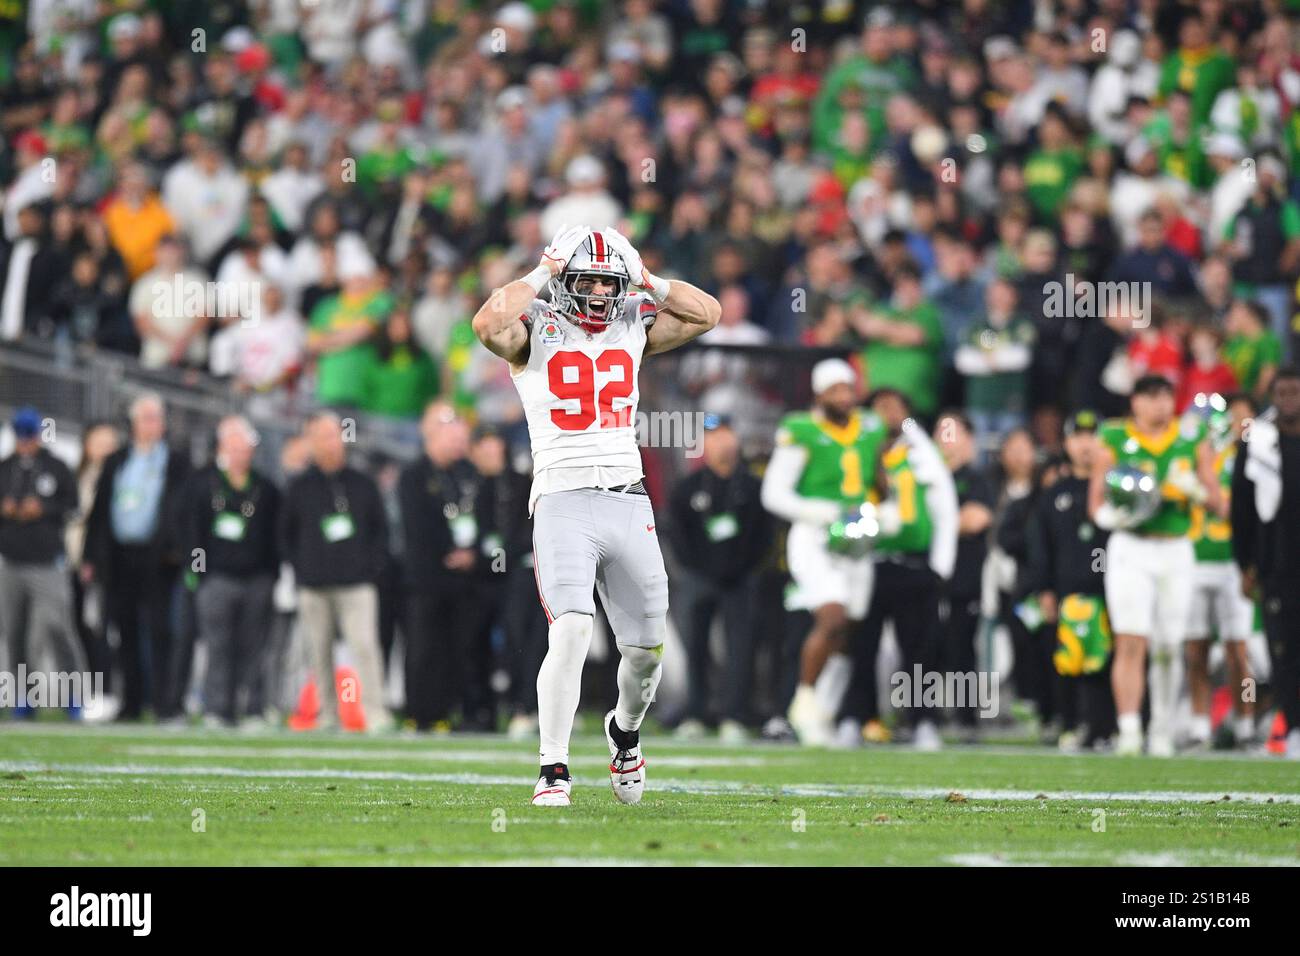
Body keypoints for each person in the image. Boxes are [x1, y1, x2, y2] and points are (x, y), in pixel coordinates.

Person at [471, 224, 719, 806]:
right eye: (590, 283)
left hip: (627, 500)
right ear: (564, 279)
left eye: (612, 285)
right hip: (562, 498)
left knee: (646, 650)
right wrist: (543, 272)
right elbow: (486, 323)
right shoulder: (536, 328)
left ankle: (624, 732)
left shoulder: (634, 320)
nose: (603, 297)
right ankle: (552, 769)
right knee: (573, 627)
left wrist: (647, 280)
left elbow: (707, 313)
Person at [1089, 374, 1220, 756]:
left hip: (1176, 547)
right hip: (1132, 546)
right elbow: (1096, 503)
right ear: (1135, 402)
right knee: (1131, 640)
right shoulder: (1114, 437)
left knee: (1168, 644)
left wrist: (1194, 489)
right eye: (1151, 397)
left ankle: (1161, 728)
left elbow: (1216, 499)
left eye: (1166, 396)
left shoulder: (1191, 436)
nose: (1160, 405)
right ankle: (1129, 730)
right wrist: (1116, 516)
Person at [760, 358, 889, 746]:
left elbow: (880, 480)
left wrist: (885, 510)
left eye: (848, 388)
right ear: (819, 394)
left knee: (850, 628)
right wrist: (824, 511)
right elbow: (773, 494)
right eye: (835, 389)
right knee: (831, 616)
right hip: (815, 536)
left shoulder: (869, 428)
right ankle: (804, 701)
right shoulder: (801, 430)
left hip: (857, 535)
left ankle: (824, 713)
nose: (843, 396)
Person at [837, 388, 958, 750]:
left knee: (919, 650)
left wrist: (941, 566)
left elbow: (944, 508)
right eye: (880, 407)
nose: (887, 414)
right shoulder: (858, 450)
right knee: (861, 648)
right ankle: (854, 718)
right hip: (867, 562)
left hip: (912, 565)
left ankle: (923, 722)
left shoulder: (920, 453)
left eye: (895, 407)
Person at [278, 412, 389, 732]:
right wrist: (301, 569)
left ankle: (375, 712)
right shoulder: (299, 486)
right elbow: (285, 534)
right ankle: (326, 713)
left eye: (333, 435)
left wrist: (371, 567)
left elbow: (380, 530)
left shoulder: (362, 483)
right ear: (310, 442)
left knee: (365, 646)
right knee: (317, 651)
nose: (329, 443)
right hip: (314, 584)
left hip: (357, 583)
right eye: (321, 436)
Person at [84, 393, 190, 721]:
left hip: (158, 559)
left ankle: (164, 704)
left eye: (157, 418)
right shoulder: (116, 460)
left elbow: (183, 511)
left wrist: (179, 552)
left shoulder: (176, 461)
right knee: (124, 631)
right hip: (119, 558)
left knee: (161, 631)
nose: (152, 424)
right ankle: (130, 703)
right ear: (133, 423)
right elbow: (99, 513)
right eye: (146, 418)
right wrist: (91, 557)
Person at [667, 413, 772, 742]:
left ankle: (734, 714)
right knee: (694, 646)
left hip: (741, 580)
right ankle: (696, 712)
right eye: (712, 437)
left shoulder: (754, 487)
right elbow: (677, 535)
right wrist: (698, 569)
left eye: (725, 435)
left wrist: (743, 568)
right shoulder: (688, 488)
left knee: (740, 648)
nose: (720, 442)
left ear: (736, 440)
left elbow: (764, 536)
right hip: (699, 579)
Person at [1021, 410, 1115, 751]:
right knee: (1068, 662)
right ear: (1067, 443)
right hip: (1069, 592)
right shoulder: (1054, 494)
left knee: (1107, 662)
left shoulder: (1116, 485)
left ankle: (1110, 728)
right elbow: (1040, 544)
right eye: (1078, 437)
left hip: (1111, 590)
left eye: (1093, 436)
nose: (1086, 444)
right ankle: (1070, 724)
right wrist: (1044, 589)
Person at [180, 416, 281, 727]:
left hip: (257, 579)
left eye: (245, 447)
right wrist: (198, 573)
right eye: (234, 447)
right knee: (217, 646)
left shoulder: (265, 488)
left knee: (254, 647)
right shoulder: (202, 484)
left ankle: (252, 708)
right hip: (217, 578)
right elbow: (190, 530)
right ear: (222, 448)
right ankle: (216, 708)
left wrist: (272, 574)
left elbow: (276, 535)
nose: (240, 453)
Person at [397, 402, 487, 730]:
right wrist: (447, 553)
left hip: (462, 580)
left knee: (457, 649)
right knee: (422, 648)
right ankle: (418, 712)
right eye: (450, 437)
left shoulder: (466, 473)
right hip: (426, 578)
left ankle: (450, 712)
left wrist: (471, 553)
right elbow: (416, 527)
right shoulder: (413, 475)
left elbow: (482, 518)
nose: (457, 444)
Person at [1232, 366, 1300, 759]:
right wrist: (1245, 563)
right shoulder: (1257, 444)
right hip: (1276, 563)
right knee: (1282, 650)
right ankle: (1292, 726)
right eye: (1282, 392)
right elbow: (1241, 509)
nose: (1288, 399)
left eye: (1295, 392)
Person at [0, 408, 86, 714]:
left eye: (29, 435)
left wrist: (44, 508)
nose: (25, 441)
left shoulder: (57, 467)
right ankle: (25, 697)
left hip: (48, 561)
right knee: (15, 631)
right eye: (20, 435)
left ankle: (73, 695)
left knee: (55, 626)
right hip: (11, 561)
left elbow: (74, 507)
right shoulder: (5, 468)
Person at [1184, 396, 1256, 750]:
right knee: (1195, 650)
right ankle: (1199, 726)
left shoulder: (1244, 459)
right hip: (1194, 561)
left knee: (1238, 652)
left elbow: (1236, 510)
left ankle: (1246, 724)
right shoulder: (1192, 458)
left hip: (1231, 562)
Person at [933, 410, 995, 740]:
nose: (945, 439)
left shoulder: (975, 478)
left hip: (964, 575)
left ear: (969, 439)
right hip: (928, 579)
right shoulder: (925, 477)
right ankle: (922, 714)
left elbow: (976, 519)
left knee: (962, 646)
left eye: (952, 431)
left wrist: (932, 525)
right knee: (925, 645)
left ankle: (966, 717)